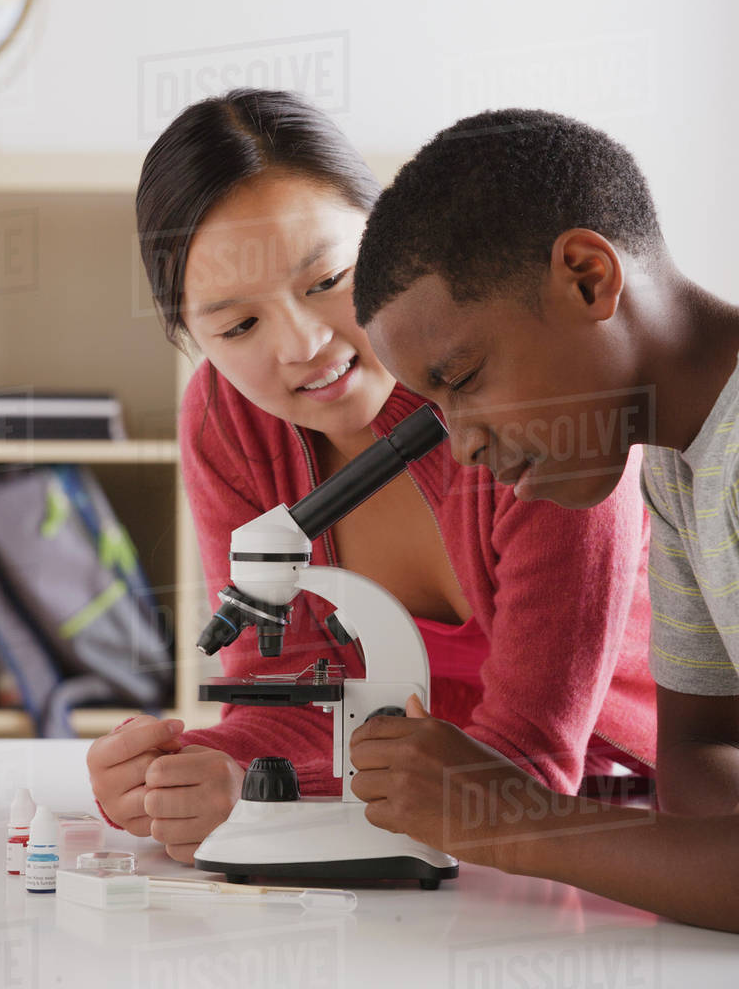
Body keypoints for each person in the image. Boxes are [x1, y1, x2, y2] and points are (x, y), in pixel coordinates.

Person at [87, 90, 656, 866]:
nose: (306, 344)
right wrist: (186, 776)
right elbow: (282, 688)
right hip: (410, 813)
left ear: (388, 231)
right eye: (239, 326)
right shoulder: (226, 422)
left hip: (608, 820)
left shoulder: (526, 399)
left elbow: (530, 759)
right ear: (195, 339)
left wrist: (269, 797)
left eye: (328, 280)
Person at [349, 106, 739, 932]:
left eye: (465, 378)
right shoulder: (677, 460)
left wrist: (512, 822)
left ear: (588, 278)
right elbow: (700, 755)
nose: (462, 448)